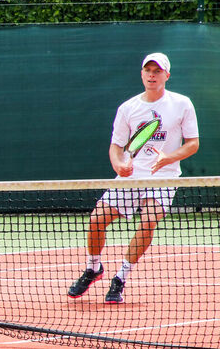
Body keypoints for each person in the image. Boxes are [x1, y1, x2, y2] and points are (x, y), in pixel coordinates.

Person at [67, 53, 199, 304]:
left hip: (164, 177)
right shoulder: (128, 108)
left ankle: (120, 278)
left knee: (148, 220)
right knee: (96, 219)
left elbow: (193, 143)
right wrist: (118, 164)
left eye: (157, 71)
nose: (152, 75)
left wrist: (169, 158)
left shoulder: (182, 104)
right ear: (141, 74)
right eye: (148, 70)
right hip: (131, 177)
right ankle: (94, 268)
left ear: (166, 76)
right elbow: (116, 146)